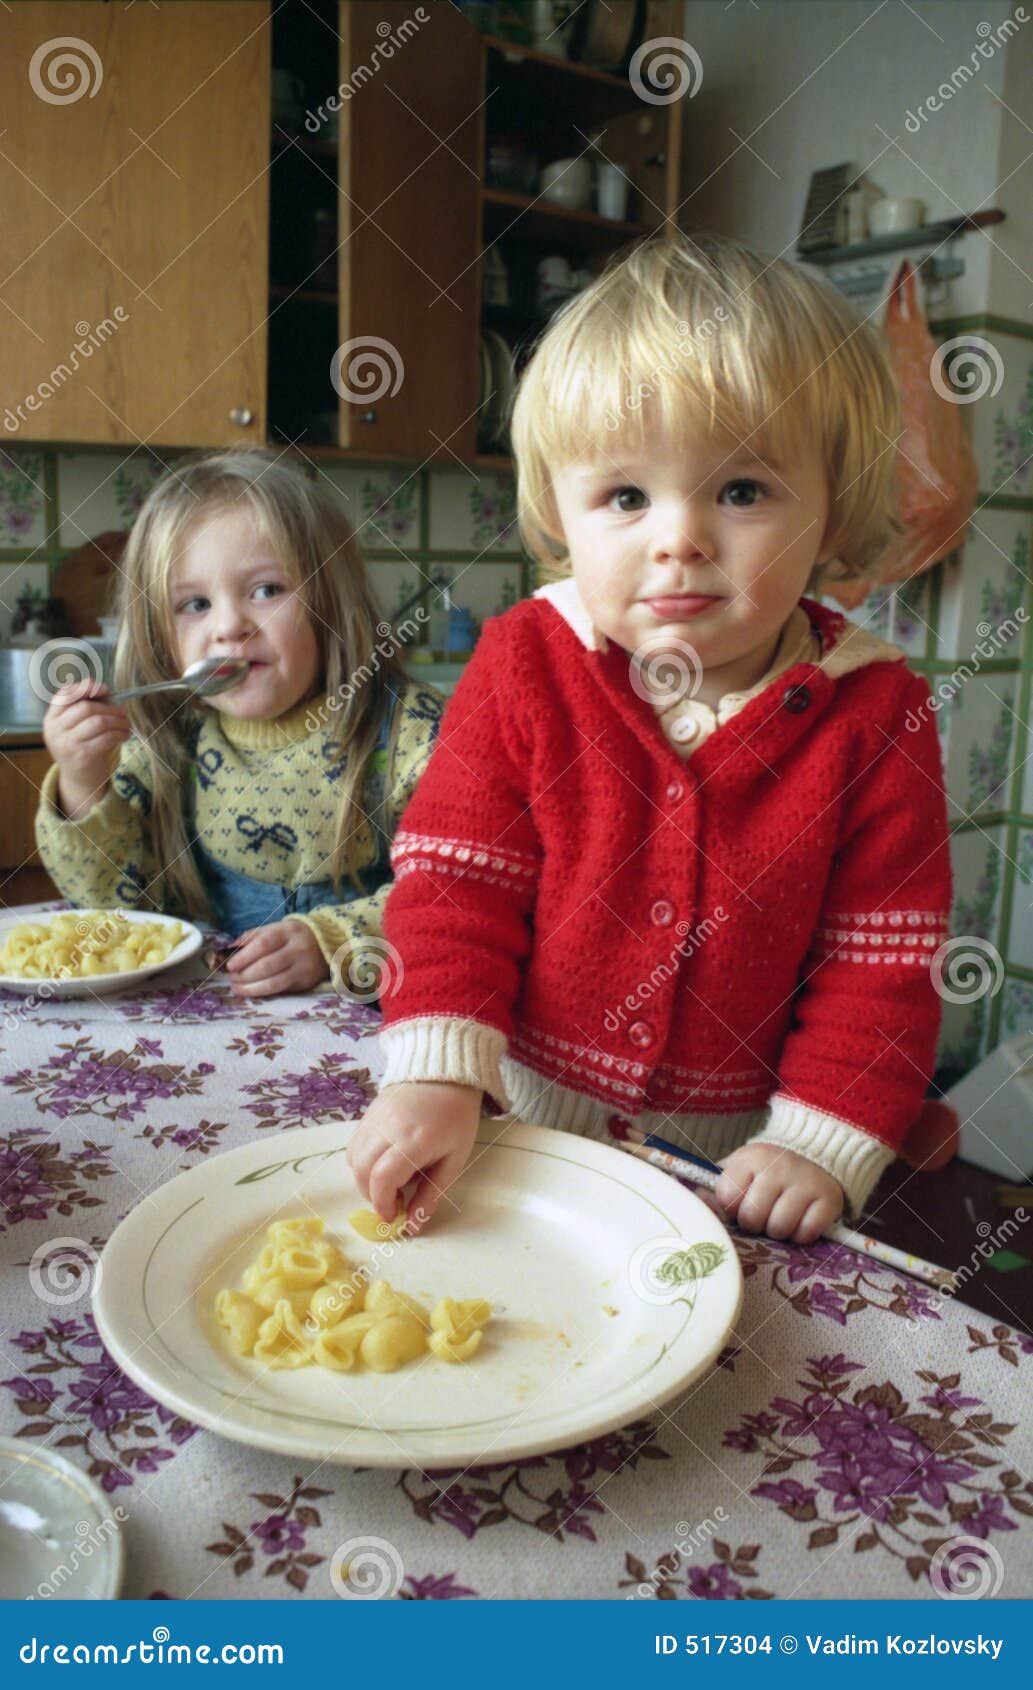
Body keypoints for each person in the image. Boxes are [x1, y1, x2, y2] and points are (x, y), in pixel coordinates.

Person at [347, 233, 952, 1239]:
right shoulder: (523, 662)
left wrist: (823, 1138)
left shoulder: (878, 714)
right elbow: (457, 887)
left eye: (742, 490)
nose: (679, 537)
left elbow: (883, 961)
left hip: (742, 1171)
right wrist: (439, 1073)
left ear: (831, 508)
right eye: (625, 496)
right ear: (561, 514)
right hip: (514, 1130)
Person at [36, 451, 444, 997]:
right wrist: (83, 780)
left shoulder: (413, 733)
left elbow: (458, 886)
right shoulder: (164, 742)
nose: (229, 626)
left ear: (330, 599)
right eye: (195, 603)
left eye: (267, 591)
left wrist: (333, 941)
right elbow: (111, 907)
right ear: (160, 634)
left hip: (379, 1037)